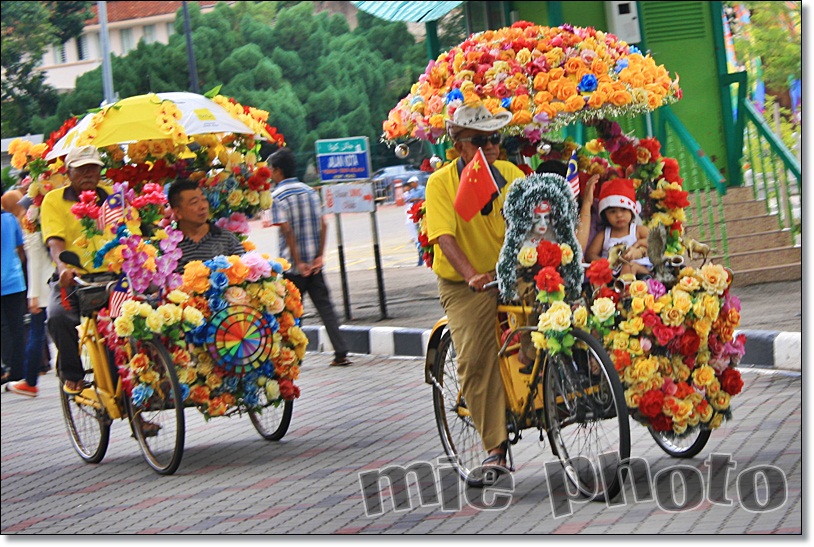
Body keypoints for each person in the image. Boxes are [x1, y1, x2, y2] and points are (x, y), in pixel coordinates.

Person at [424, 104, 525, 473]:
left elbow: (532, 222)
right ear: (460, 147)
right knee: (475, 359)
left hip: (510, 272)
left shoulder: (511, 174)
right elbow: (443, 237)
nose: (492, 147)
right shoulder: (440, 183)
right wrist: (470, 274)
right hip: (466, 284)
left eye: (496, 138)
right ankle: (496, 449)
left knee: (556, 310)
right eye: (482, 141)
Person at [40, 145, 114, 394]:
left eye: (93, 168)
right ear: (68, 172)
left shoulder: (113, 197)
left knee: (139, 314)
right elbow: (54, 241)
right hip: (73, 278)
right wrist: (63, 267)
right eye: (81, 169)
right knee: (57, 317)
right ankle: (72, 372)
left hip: (111, 277)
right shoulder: (54, 200)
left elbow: (129, 231)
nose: (88, 174)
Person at [268, 147, 351, 367]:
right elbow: (324, 224)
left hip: (293, 267)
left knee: (292, 313)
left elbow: (287, 231)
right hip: (315, 265)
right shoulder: (310, 192)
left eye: (271, 170)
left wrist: (298, 262)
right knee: (326, 308)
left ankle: (294, 357)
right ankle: (341, 352)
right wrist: (319, 257)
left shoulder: (276, 196)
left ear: (278, 170)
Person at [6, 182, 54, 397]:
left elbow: (34, 258)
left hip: (43, 284)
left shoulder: (32, 220)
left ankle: (30, 381)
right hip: (61, 279)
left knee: (35, 330)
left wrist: (33, 294)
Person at [167, 178, 245, 270]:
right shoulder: (169, 245)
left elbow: (244, 270)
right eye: (194, 202)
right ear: (178, 212)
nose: (203, 206)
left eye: (204, 200)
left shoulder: (226, 238)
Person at [584, 178, 652, 277]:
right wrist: (605, 263)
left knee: (629, 267)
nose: (619, 215)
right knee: (596, 275)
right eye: (612, 212)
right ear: (605, 215)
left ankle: (625, 286)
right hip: (612, 273)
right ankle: (607, 287)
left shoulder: (638, 230)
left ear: (631, 211)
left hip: (638, 271)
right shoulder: (604, 235)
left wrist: (639, 246)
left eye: (623, 209)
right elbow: (590, 254)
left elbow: (656, 244)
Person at [1, 200, 27, 386]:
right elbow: (21, 249)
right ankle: (17, 371)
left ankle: (6, 368)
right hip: (14, 281)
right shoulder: (10, 219)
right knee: (17, 327)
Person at [403, 176, 425, 266]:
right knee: (417, 238)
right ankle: (421, 257)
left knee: (421, 236)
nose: (411, 185)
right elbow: (409, 199)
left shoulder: (422, 189)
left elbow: (423, 198)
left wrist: (417, 200)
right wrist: (417, 199)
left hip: (420, 214)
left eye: (411, 183)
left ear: (415, 182)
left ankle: (422, 256)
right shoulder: (410, 192)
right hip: (414, 217)